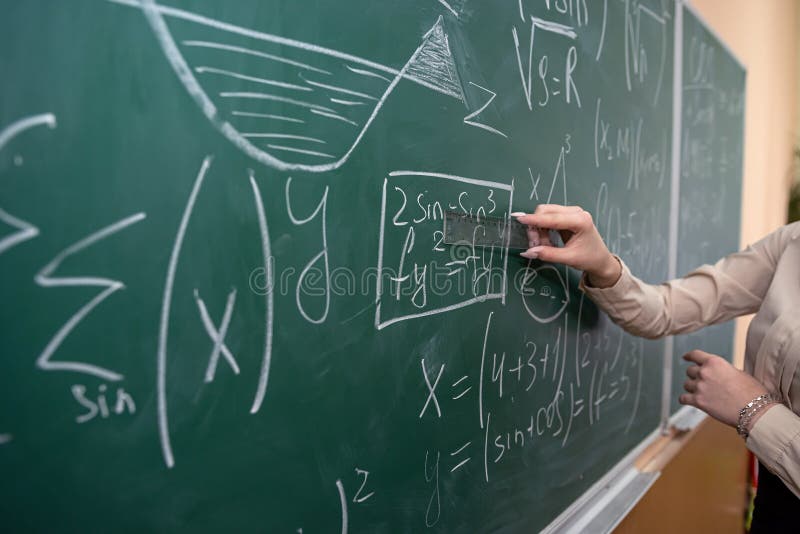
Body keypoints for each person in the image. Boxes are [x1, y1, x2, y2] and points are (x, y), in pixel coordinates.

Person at [514, 204, 800, 532]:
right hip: (775, 499)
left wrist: (754, 410)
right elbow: (665, 309)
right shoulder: (793, 243)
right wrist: (603, 265)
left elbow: (756, 411)